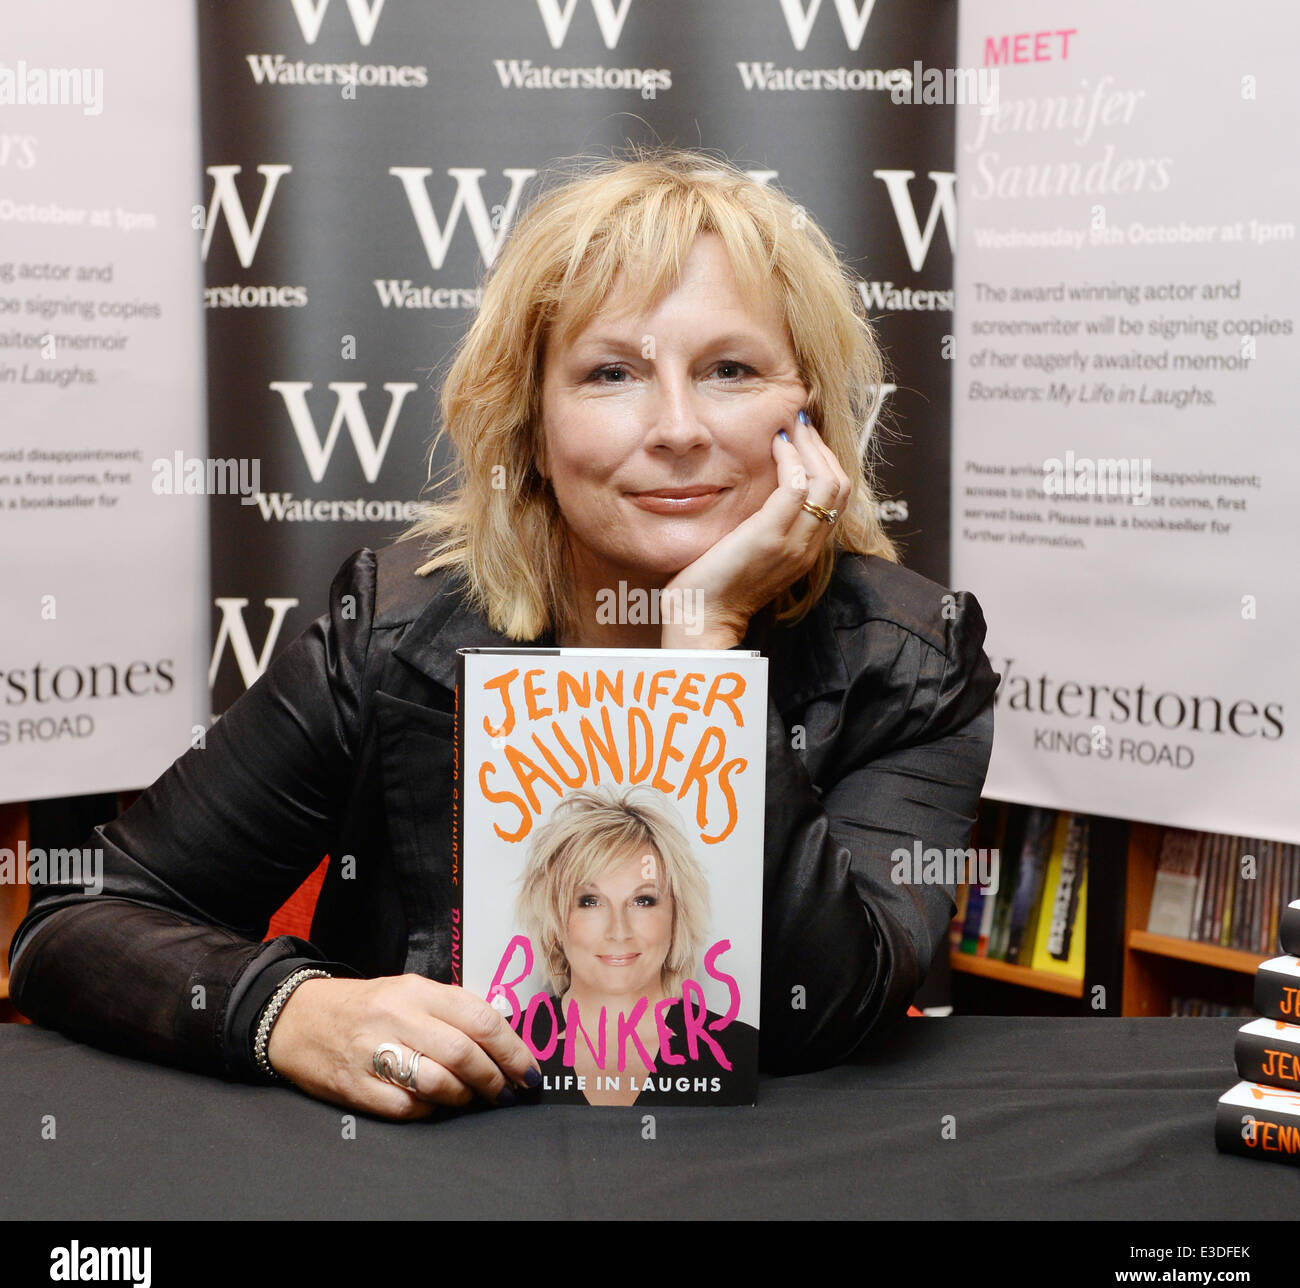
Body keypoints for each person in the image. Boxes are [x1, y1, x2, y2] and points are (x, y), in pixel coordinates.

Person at [8, 145, 998, 1122]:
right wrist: (290, 1010)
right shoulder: (390, 629)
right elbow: (74, 920)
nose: (679, 426)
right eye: (611, 372)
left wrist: (704, 643)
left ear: (811, 410)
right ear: (531, 426)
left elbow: (824, 1015)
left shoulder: (910, 660)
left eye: (730, 369)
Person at [510, 786, 758, 1107]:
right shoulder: (501, 1048)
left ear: (676, 916)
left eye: (643, 900)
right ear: (556, 921)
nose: (619, 931)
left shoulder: (738, 1050)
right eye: (590, 901)